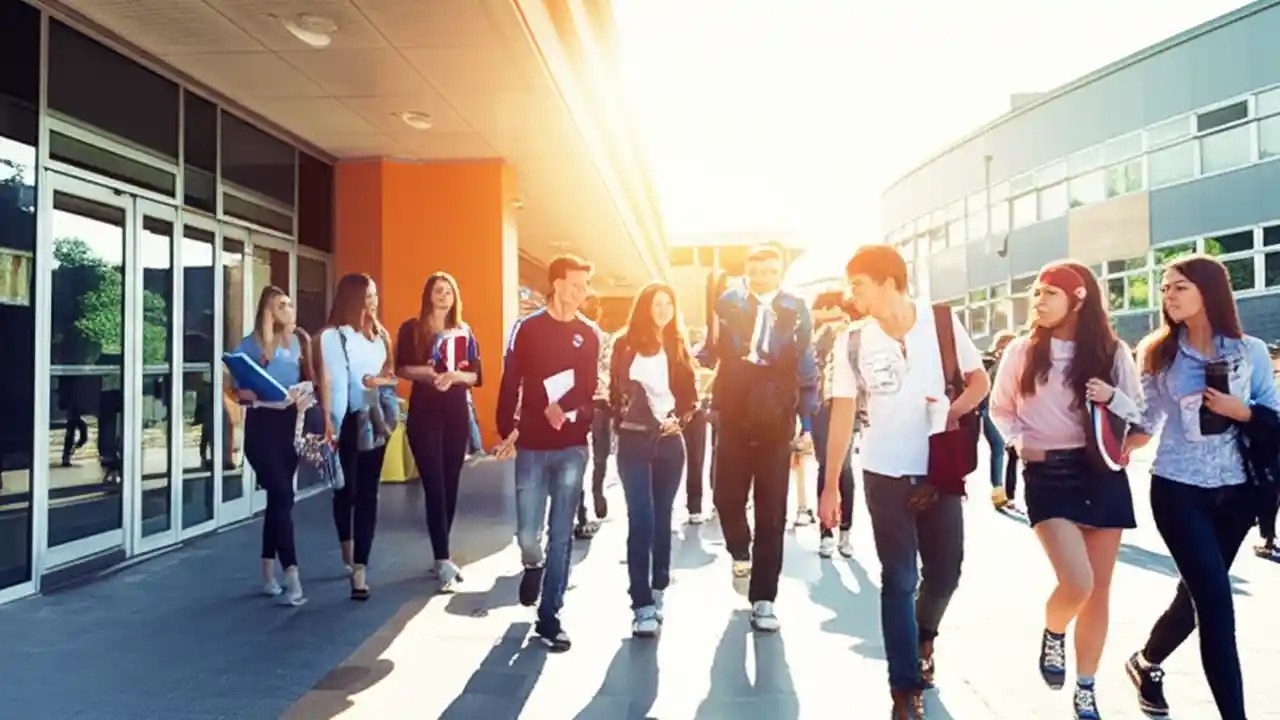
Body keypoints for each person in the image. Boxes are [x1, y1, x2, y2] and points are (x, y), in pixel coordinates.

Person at [820, 244, 988, 719]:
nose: (851, 294)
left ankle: (924, 637)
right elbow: (842, 415)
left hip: (940, 468)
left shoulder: (940, 323)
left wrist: (951, 412)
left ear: (889, 282)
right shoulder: (852, 340)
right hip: (884, 470)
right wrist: (831, 483)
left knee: (946, 571)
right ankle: (904, 687)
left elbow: (979, 381)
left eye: (858, 284)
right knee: (897, 576)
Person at [1122, 255, 1279, 720]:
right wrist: (1110, 431)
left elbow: (1273, 417)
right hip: (1178, 490)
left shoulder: (1249, 351)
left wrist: (1241, 411)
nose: (1167, 296)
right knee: (1216, 605)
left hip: (1237, 495)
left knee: (1194, 598)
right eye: (1165, 288)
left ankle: (1145, 662)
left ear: (1207, 292)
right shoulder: (1157, 352)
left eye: (1178, 287)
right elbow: (1146, 422)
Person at [988, 262, 1144, 720]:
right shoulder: (1021, 350)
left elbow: (1139, 411)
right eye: (1035, 293)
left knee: (1099, 593)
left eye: (1048, 293)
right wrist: (1021, 444)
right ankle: (1053, 632)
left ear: (1077, 298)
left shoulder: (1111, 352)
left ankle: (1087, 688)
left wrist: (1111, 398)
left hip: (1101, 473)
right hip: (1048, 475)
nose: (1038, 301)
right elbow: (1000, 409)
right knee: (1077, 582)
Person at [702, 243, 819, 633]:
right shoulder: (728, 302)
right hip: (734, 410)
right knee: (725, 496)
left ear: (779, 273)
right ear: (747, 272)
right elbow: (717, 348)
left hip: (776, 412)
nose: (762, 278)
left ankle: (764, 598)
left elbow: (805, 361)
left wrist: (806, 418)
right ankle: (740, 549)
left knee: (772, 510)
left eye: (769, 272)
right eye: (756, 272)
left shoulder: (796, 307)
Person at [495, 254, 599, 652]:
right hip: (532, 446)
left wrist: (570, 411)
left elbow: (590, 393)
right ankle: (531, 564)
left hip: (572, 446)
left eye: (585, 286)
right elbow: (511, 381)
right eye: (575, 284)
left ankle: (550, 616)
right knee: (527, 534)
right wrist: (506, 429)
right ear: (556, 283)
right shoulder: (527, 328)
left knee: (561, 534)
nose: (581, 292)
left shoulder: (589, 334)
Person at [608, 282, 698, 637]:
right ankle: (641, 603)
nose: (663, 310)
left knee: (663, 517)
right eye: (657, 304)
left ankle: (659, 580)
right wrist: (624, 415)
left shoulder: (677, 344)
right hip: (633, 441)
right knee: (641, 519)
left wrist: (683, 417)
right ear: (644, 307)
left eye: (669, 304)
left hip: (670, 442)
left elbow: (690, 394)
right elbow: (614, 390)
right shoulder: (625, 344)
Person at [396, 272, 483, 593]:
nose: (443, 296)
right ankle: (443, 558)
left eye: (448, 291)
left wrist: (454, 375)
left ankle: (439, 552)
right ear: (428, 295)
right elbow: (401, 367)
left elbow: (476, 375)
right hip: (425, 412)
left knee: (450, 483)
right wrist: (432, 374)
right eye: (437, 291)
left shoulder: (465, 331)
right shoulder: (412, 328)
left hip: (455, 412)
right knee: (433, 482)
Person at [232, 286, 313, 607]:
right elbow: (239, 392)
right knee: (283, 494)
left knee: (279, 502)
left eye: (290, 304)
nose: (288, 309)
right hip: (261, 428)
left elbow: (309, 381)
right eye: (281, 305)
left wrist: (303, 394)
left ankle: (268, 573)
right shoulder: (249, 345)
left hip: (289, 427)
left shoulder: (296, 343)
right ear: (267, 310)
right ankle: (292, 577)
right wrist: (261, 390)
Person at [317, 273, 396, 601]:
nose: (374, 301)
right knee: (344, 490)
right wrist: (327, 420)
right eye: (367, 296)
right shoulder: (334, 337)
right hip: (344, 419)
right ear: (352, 300)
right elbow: (326, 380)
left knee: (367, 494)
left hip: (373, 417)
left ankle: (360, 567)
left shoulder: (381, 336)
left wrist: (379, 384)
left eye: (375, 295)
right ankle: (347, 551)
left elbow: (389, 375)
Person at [810, 289, 855, 559]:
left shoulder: (855, 335)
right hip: (821, 409)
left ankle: (845, 530)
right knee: (827, 467)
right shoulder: (814, 339)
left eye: (836, 311)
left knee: (844, 467)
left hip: (848, 407)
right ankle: (826, 531)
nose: (831, 318)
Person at [575, 295, 612, 540]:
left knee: (590, 456)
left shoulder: (600, 337)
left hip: (595, 400)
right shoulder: (598, 337)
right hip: (589, 401)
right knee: (591, 455)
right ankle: (585, 508)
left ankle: (587, 506)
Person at [982, 331, 1017, 509]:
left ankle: (1009, 495)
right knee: (998, 449)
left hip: (1014, 414)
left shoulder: (1019, 365)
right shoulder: (989, 365)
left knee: (1013, 454)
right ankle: (998, 491)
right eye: (1002, 346)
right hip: (990, 412)